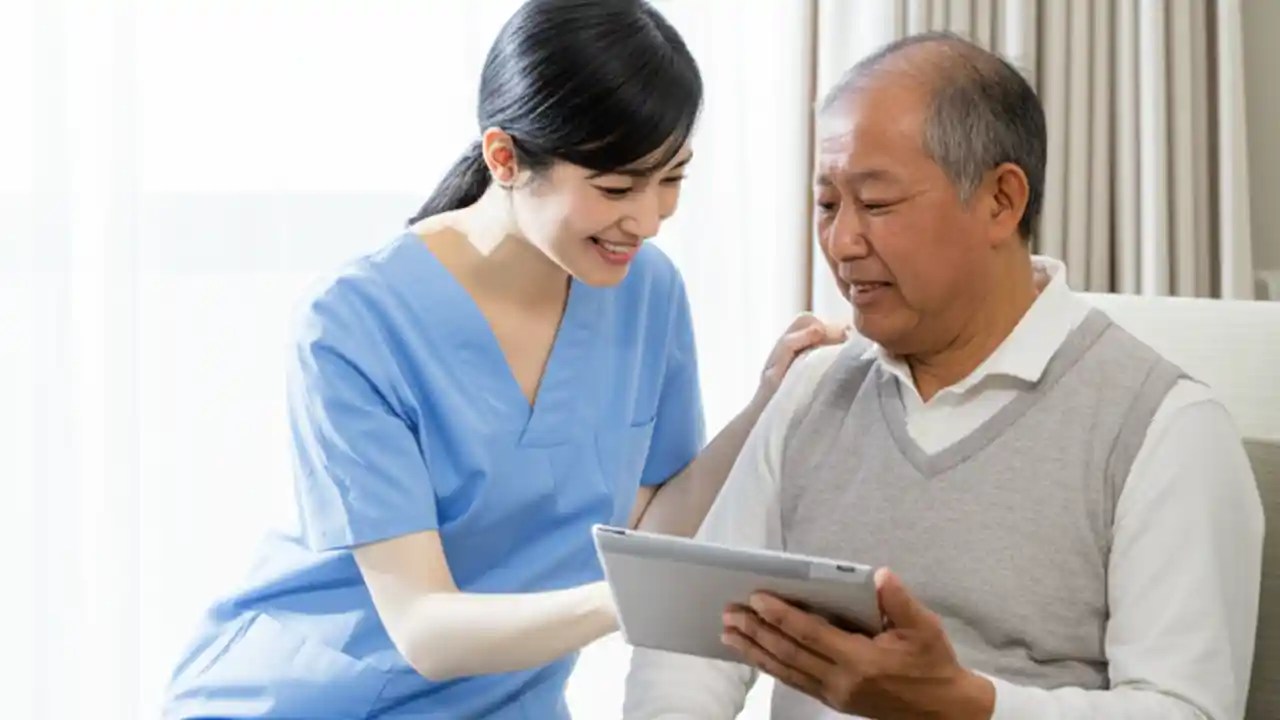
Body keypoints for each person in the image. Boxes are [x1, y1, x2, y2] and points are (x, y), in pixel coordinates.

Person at [161, 1, 844, 717]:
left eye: (671, 179)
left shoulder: (646, 291)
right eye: (615, 188)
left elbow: (644, 528)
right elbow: (424, 628)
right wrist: (642, 597)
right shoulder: (355, 321)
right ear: (504, 158)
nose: (646, 219)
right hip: (308, 701)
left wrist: (767, 402)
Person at [623, 32, 1264, 720]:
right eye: (828, 204)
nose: (841, 242)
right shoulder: (811, 391)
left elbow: (1187, 710)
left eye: (876, 204)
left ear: (1000, 201)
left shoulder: (1164, 428)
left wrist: (965, 705)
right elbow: (694, 647)